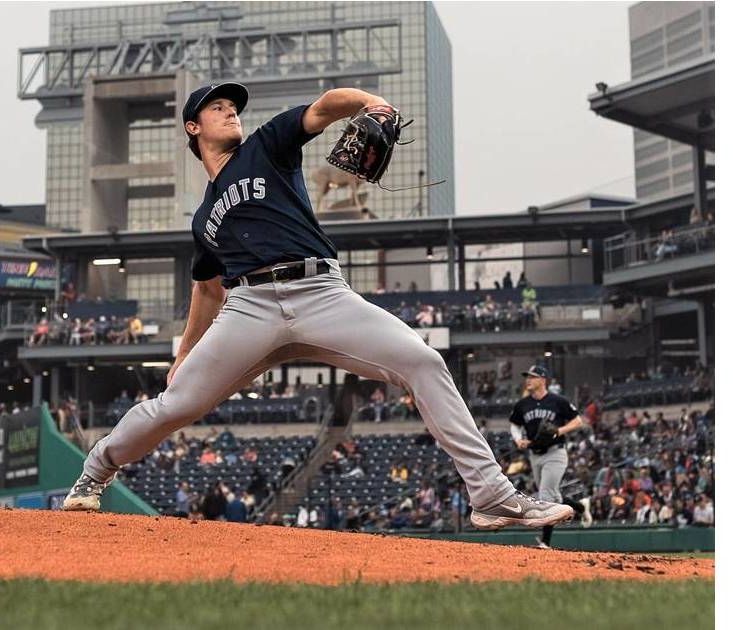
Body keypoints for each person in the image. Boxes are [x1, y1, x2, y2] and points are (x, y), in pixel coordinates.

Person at [61, 82, 570, 529]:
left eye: (232, 105)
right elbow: (207, 290)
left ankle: (492, 497)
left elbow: (328, 106)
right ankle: (95, 471)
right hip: (250, 308)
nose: (230, 111)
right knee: (176, 406)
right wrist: (182, 355)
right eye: (217, 107)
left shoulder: (267, 145)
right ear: (193, 127)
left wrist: (371, 104)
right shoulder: (203, 218)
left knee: (424, 361)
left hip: (321, 293)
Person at [508, 365, 587, 549]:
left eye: (532, 377)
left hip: (555, 453)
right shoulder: (523, 404)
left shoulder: (557, 401)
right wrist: (518, 439)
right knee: (554, 496)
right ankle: (580, 507)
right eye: (527, 376)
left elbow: (577, 421)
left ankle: (545, 542)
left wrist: (559, 430)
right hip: (535, 455)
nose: (528, 380)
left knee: (545, 496)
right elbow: (514, 425)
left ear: (543, 380)